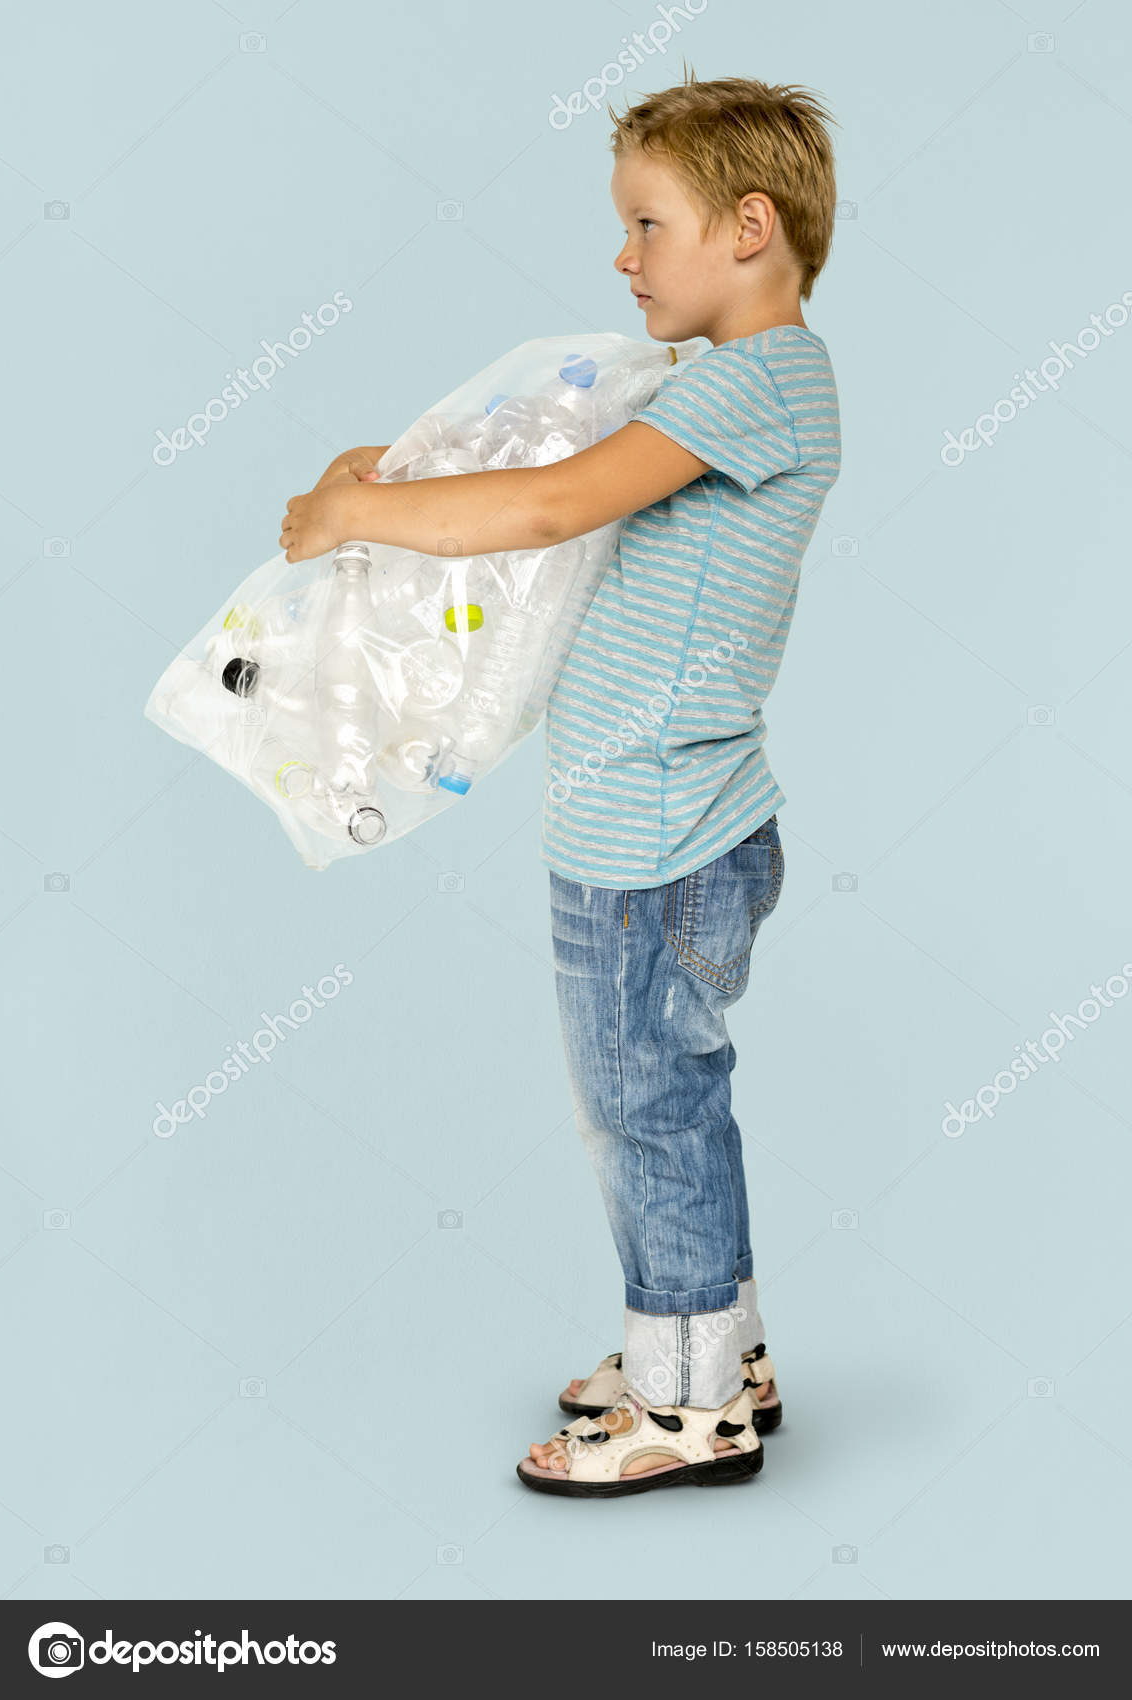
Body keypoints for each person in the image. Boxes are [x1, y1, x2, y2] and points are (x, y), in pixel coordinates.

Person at [280, 72, 841, 1500]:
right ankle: (720, 1343)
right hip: (648, 826)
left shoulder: (763, 382)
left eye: (648, 224)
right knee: (655, 1102)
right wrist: (396, 472)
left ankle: (685, 1403)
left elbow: (550, 507)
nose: (624, 255)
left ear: (750, 228)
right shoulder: (719, 385)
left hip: (657, 841)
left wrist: (357, 516)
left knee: (650, 1108)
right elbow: (539, 456)